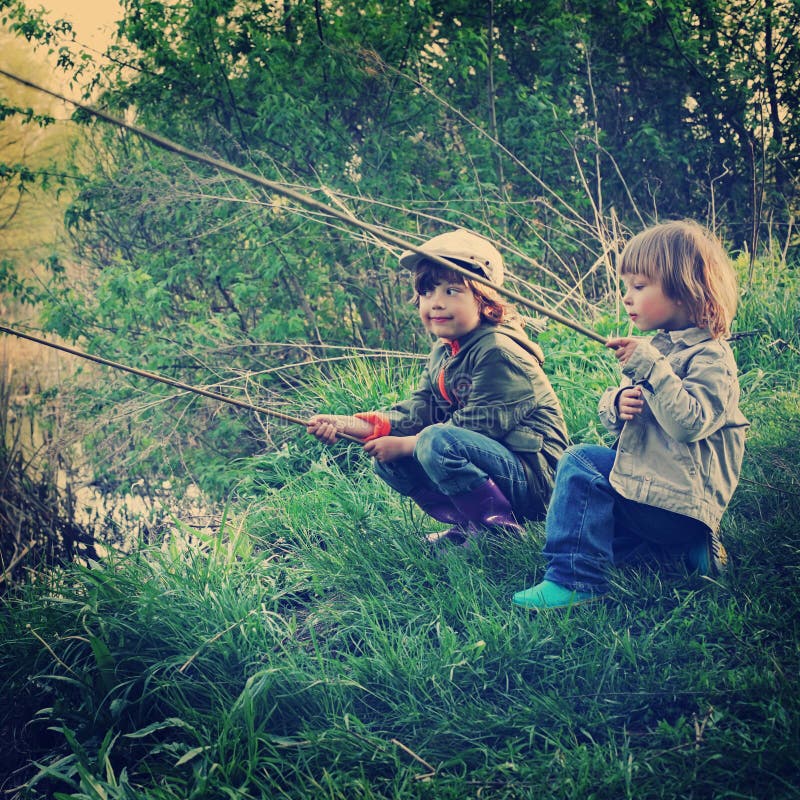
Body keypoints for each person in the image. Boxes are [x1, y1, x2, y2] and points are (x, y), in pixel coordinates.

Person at [512, 219, 749, 611]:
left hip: (678, 502)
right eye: (627, 287)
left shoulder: (711, 358)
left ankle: (575, 579)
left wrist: (652, 366)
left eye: (639, 286)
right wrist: (618, 402)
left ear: (685, 290)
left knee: (581, 462)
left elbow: (688, 424)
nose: (627, 297)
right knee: (600, 533)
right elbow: (621, 418)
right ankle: (686, 550)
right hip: (649, 492)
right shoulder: (656, 348)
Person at [307, 228, 569, 546]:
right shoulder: (445, 351)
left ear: (484, 300)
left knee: (434, 441)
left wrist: (408, 444)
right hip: (497, 466)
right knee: (392, 459)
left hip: (536, 479)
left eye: (451, 291)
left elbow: (480, 424)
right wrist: (352, 425)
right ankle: (470, 523)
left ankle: (498, 531)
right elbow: (420, 410)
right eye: (427, 293)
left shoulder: (499, 350)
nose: (437, 304)